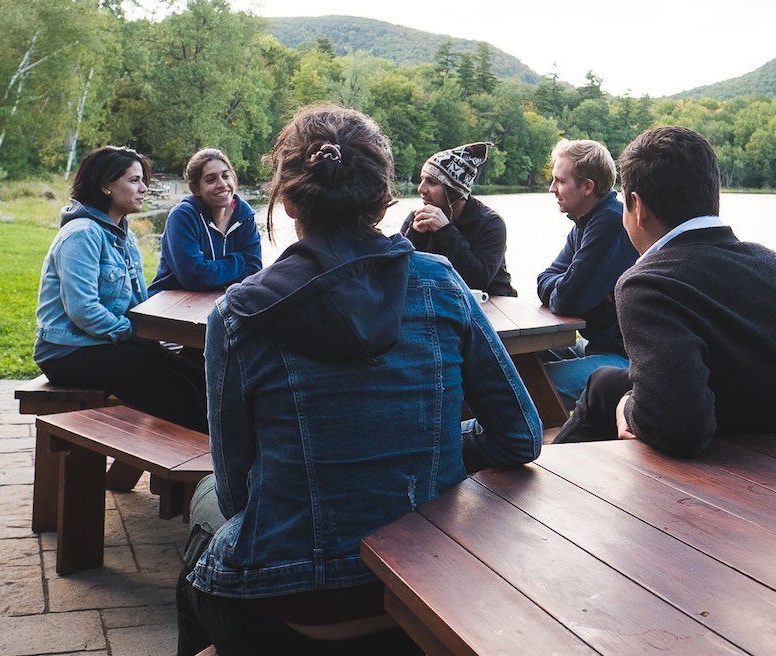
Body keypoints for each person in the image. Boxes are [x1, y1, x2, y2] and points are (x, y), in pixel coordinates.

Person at [178, 105, 542, 656]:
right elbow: (520, 437)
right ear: (384, 200)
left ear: (290, 201)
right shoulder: (443, 285)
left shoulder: (237, 316)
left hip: (286, 605)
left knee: (204, 510)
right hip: (420, 588)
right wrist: (432, 440)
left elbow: (235, 492)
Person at [554, 127, 776, 456]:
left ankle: (541, 493)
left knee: (616, 398)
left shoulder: (647, 284)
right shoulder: (775, 265)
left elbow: (676, 428)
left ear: (637, 206)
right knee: (603, 383)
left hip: (740, 477)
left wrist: (626, 408)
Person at [34, 146, 207, 431]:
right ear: (105, 186)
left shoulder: (122, 235)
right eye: (134, 180)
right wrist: (134, 333)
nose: (144, 188)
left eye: (143, 180)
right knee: (179, 395)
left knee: (200, 381)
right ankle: (189, 470)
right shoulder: (82, 235)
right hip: (67, 351)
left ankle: (214, 463)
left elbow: (136, 302)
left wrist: (148, 334)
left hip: (106, 343)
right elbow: (83, 310)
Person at [536, 138, 638, 407]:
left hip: (627, 360)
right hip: (599, 347)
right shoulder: (584, 223)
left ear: (587, 187)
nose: (552, 188)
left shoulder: (611, 221)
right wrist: (567, 283)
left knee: (526, 385)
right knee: (523, 358)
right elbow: (544, 279)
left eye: (560, 181)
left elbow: (567, 299)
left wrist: (566, 286)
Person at [397, 141, 517, 299]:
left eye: (432, 182)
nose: (421, 189)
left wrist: (445, 231)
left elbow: (477, 281)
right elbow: (396, 274)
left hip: (492, 306)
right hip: (440, 304)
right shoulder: (416, 219)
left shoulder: (491, 224)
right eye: (422, 180)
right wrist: (415, 234)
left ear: (453, 190)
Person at [149, 147, 262, 293]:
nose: (222, 184)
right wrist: (239, 260)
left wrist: (211, 272)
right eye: (211, 179)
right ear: (196, 189)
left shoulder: (244, 215)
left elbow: (254, 271)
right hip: (169, 304)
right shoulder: (183, 216)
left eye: (226, 176)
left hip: (218, 301)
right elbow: (194, 276)